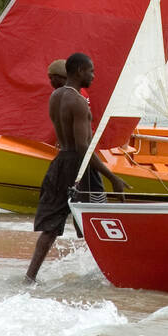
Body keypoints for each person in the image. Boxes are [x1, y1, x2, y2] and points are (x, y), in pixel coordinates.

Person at [26, 53, 128, 283]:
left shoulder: (56, 96)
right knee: (98, 222)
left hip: (60, 163)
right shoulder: (78, 102)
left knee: (51, 228)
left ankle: (30, 277)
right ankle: (113, 276)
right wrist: (112, 177)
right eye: (91, 71)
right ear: (80, 71)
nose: (93, 75)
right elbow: (83, 148)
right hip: (81, 169)